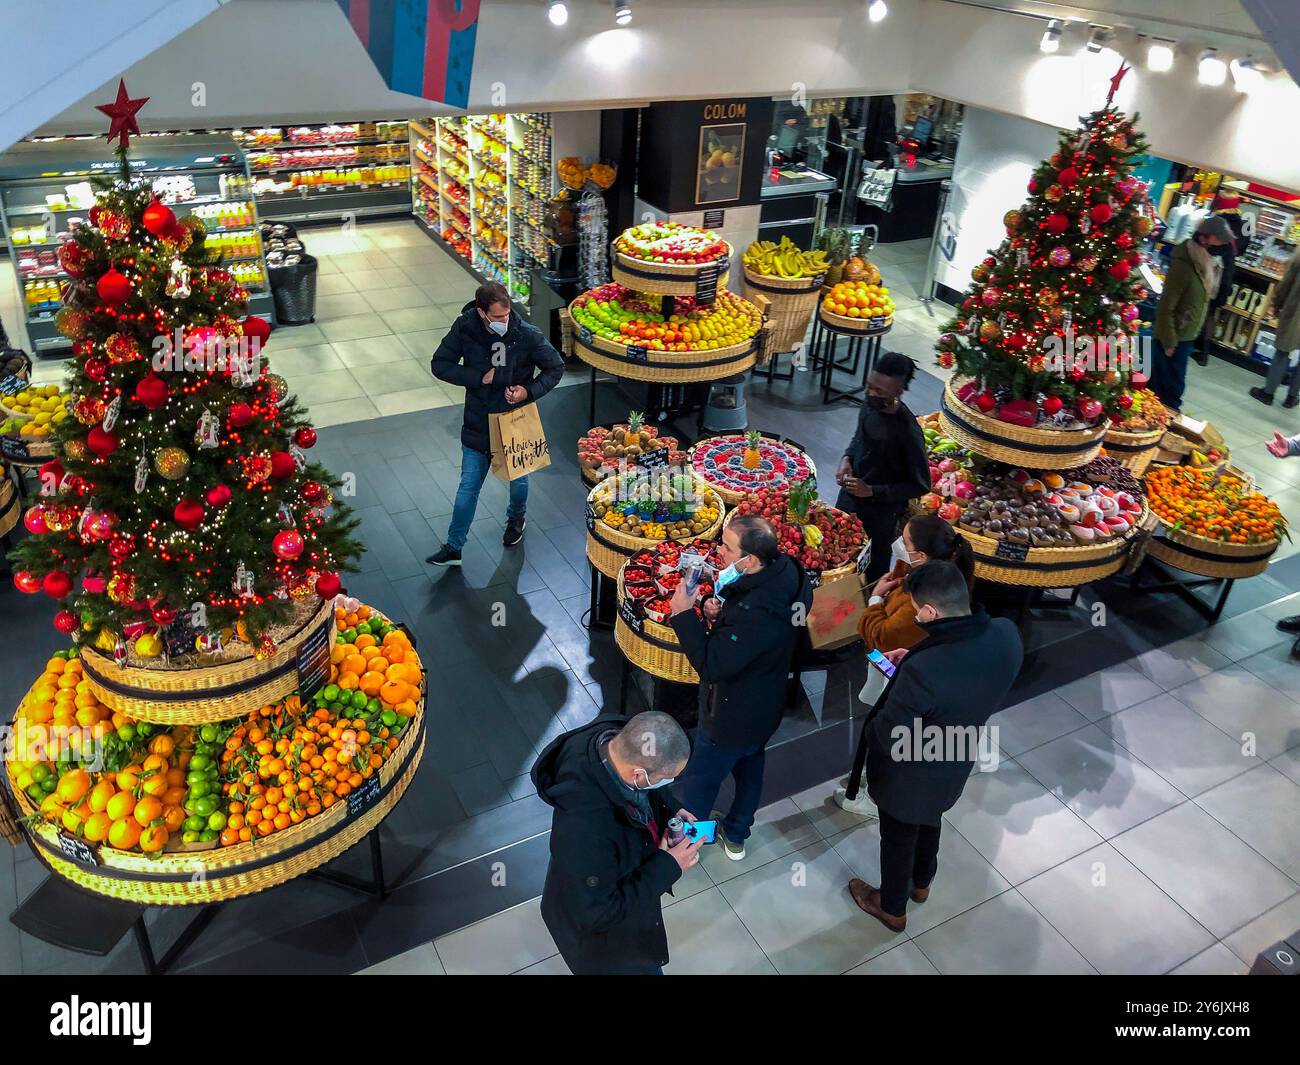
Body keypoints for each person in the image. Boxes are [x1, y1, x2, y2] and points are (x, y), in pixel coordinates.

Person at [847, 560, 1022, 932]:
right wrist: (916, 658)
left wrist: (907, 677)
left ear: (929, 611)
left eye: (914, 609)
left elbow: (884, 734)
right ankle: (922, 883)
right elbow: (963, 673)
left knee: (897, 836)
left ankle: (891, 906)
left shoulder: (925, 672)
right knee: (931, 818)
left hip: (909, 771)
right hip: (955, 754)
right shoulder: (1006, 634)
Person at [668, 515, 812, 860]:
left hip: (729, 714)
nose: (719, 551)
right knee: (750, 770)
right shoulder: (789, 571)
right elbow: (755, 627)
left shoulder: (754, 616)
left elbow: (713, 666)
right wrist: (721, 606)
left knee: (702, 782)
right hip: (767, 704)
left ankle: (690, 842)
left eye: (727, 548)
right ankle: (736, 835)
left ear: (751, 559)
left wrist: (683, 613)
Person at [531, 711, 703, 975]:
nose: (668, 783)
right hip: (602, 944)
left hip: (616, 895)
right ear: (638, 775)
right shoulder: (585, 832)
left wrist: (671, 810)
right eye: (665, 778)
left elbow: (653, 791)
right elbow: (598, 914)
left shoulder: (615, 743)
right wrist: (669, 865)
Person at [835, 513, 976, 816]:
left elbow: (883, 637)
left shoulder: (926, 601)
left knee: (884, 735)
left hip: (900, 680)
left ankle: (873, 796)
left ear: (922, 556)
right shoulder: (943, 577)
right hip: (908, 673)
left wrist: (874, 601)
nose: (898, 543)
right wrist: (901, 568)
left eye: (905, 541)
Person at [427, 281, 564, 565]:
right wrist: (479, 378)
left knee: (518, 479)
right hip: (477, 421)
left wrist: (528, 391)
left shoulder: (526, 334)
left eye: (507, 314)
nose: (505, 320)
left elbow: (555, 366)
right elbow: (440, 364)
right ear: (481, 312)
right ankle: (454, 547)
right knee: (468, 487)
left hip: (514, 421)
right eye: (498, 317)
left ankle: (516, 520)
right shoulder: (464, 328)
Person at [834, 352, 931, 582]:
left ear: (899, 391)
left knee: (870, 569)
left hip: (881, 516)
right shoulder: (869, 404)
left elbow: (921, 484)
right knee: (837, 552)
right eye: (870, 386)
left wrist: (873, 491)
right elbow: (858, 438)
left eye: (880, 391)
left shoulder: (907, 431)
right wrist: (846, 459)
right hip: (849, 498)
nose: (871, 394)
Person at [1150, 215, 1234, 411]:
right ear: (1205, 237)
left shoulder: (1203, 261)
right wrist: (1169, 340)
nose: (1222, 244)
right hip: (1174, 336)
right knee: (1168, 387)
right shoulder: (1185, 264)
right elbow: (1166, 306)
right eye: (1219, 239)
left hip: (1186, 333)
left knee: (1170, 384)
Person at [1196, 194, 1247, 367]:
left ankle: (1187, 343)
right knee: (1211, 313)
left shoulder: (1216, 222)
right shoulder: (1245, 224)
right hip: (1227, 270)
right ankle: (1204, 353)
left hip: (1210, 271)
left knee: (1196, 308)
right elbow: (1244, 248)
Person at [1250, 251, 1300, 408]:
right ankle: (1292, 397)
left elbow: (1287, 282)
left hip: (1296, 311)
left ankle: (1268, 393)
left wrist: (1277, 303)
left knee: (1282, 352)